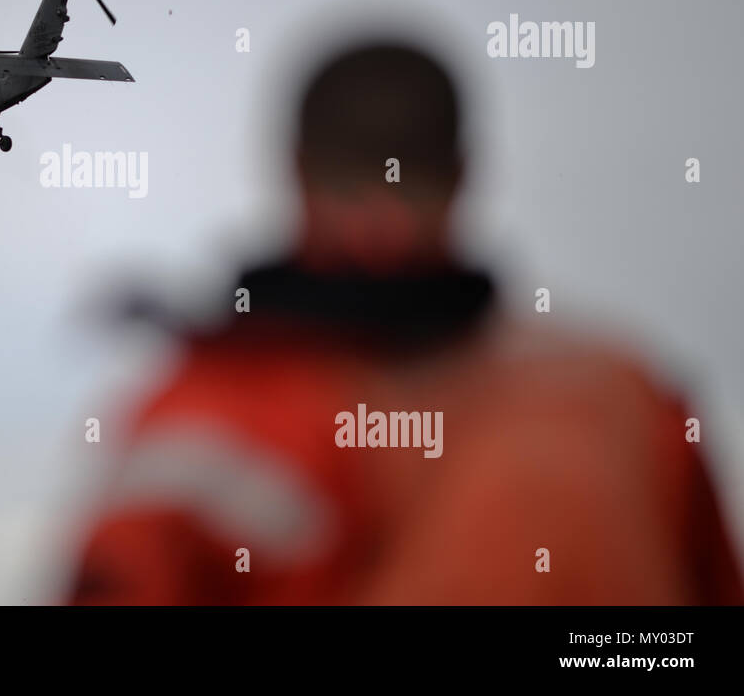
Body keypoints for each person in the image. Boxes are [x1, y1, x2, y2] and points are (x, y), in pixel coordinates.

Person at [66, 37, 743, 605]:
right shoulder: (629, 396)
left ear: (292, 168)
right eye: (352, 188)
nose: (378, 234)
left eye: (402, 188)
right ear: (467, 170)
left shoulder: (189, 428)